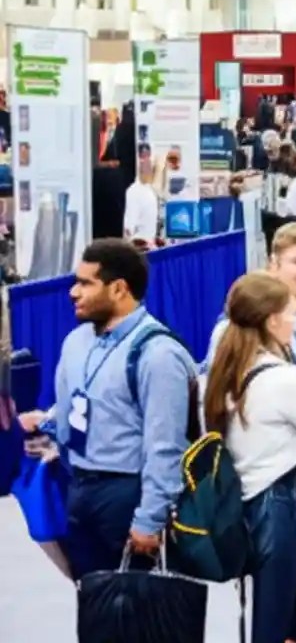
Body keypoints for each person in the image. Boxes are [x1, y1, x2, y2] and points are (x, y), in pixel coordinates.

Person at [24, 239, 197, 579]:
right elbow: (79, 405)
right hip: (78, 489)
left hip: (127, 494)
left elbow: (165, 445)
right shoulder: (76, 341)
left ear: (119, 289)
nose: (73, 292)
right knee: (94, 610)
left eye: (86, 283)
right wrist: (44, 426)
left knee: (134, 616)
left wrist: (149, 518)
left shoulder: (159, 354)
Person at [204, 271, 296, 643]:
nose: (295, 321)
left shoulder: (224, 370)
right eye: (291, 313)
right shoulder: (284, 378)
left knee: (264, 622)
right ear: (271, 320)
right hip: (277, 507)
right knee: (275, 621)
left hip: (239, 506)